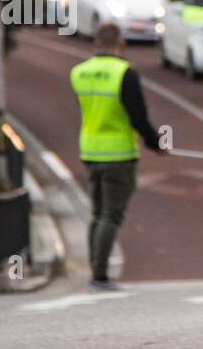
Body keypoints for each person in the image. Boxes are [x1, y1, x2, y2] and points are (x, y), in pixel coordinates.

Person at [69, 23, 166, 291]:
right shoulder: (125, 74)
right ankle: (99, 276)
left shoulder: (79, 73)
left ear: (96, 43)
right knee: (111, 215)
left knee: (98, 213)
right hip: (118, 154)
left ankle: (95, 269)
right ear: (120, 44)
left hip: (89, 150)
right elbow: (138, 117)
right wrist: (155, 143)